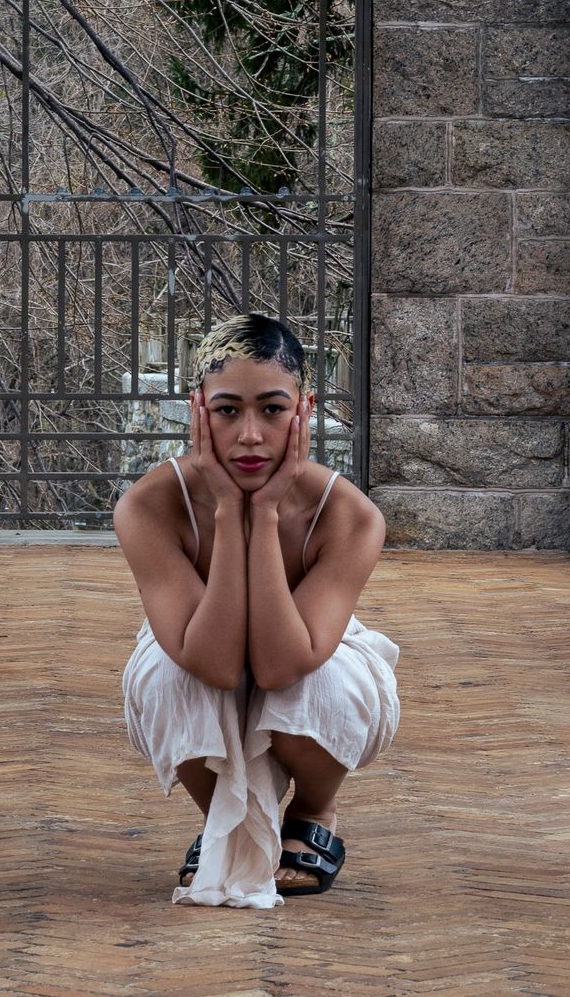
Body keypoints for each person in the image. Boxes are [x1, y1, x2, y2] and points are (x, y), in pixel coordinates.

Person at [114, 313, 398, 906]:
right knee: (172, 681)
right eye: (227, 410)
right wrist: (225, 510)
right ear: (198, 411)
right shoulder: (149, 506)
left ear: (304, 411)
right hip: (197, 648)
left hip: (307, 652)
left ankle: (314, 807)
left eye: (272, 409)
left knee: (320, 685)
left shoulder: (350, 515)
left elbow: (279, 667)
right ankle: (227, 811)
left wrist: (263, 515)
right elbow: (214, 665)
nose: (249, 435)